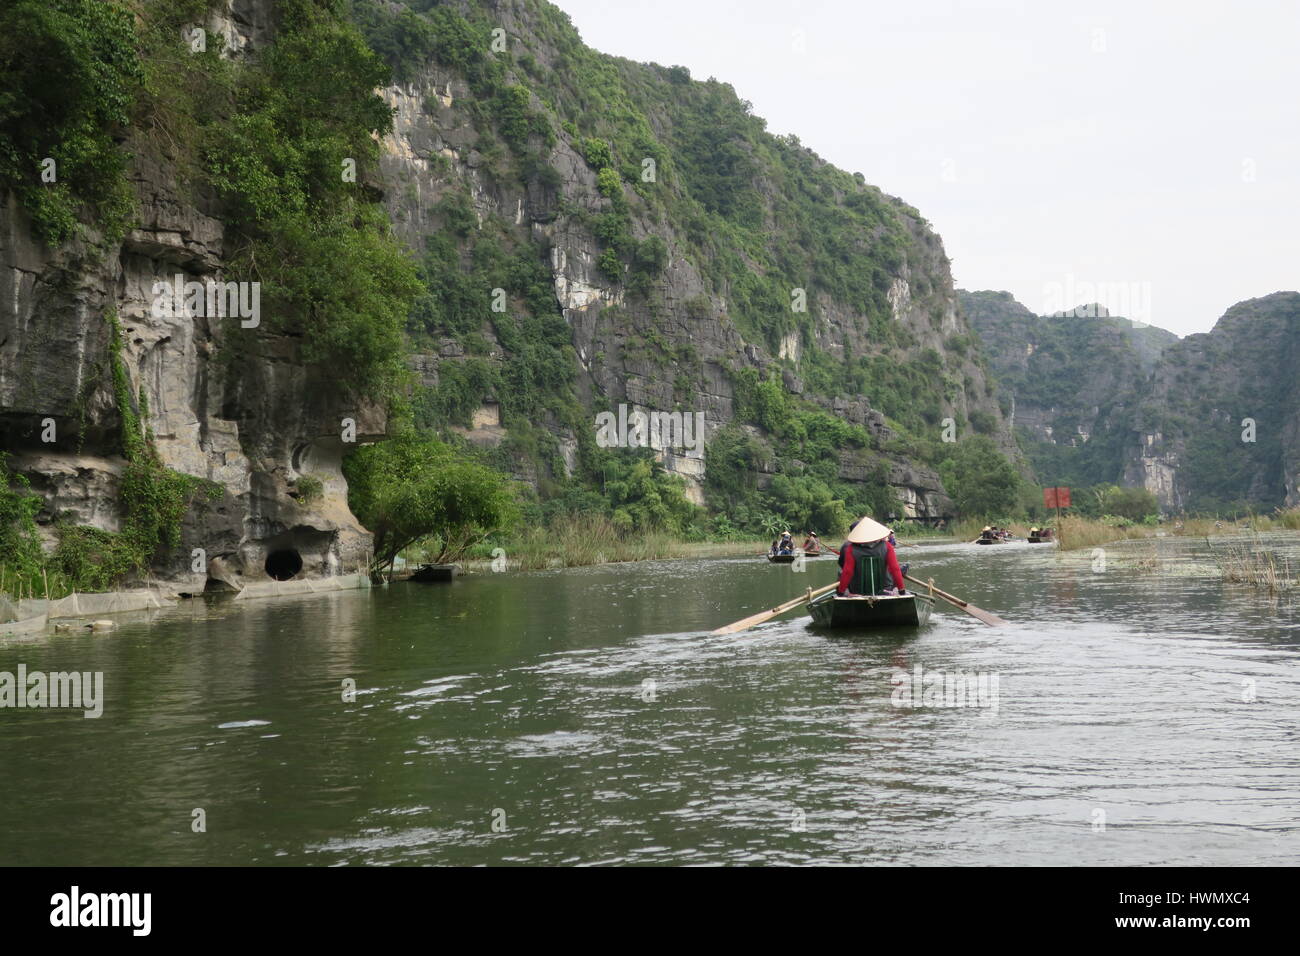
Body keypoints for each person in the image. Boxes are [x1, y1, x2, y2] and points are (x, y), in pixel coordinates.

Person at [837, 517, 905, 596]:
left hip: (857, 591)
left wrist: (841, 592)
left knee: (841, 578)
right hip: (885, 590)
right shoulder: (887, 546)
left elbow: (847, 572)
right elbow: (895, 569)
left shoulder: (851, 549)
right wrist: (901, 590)